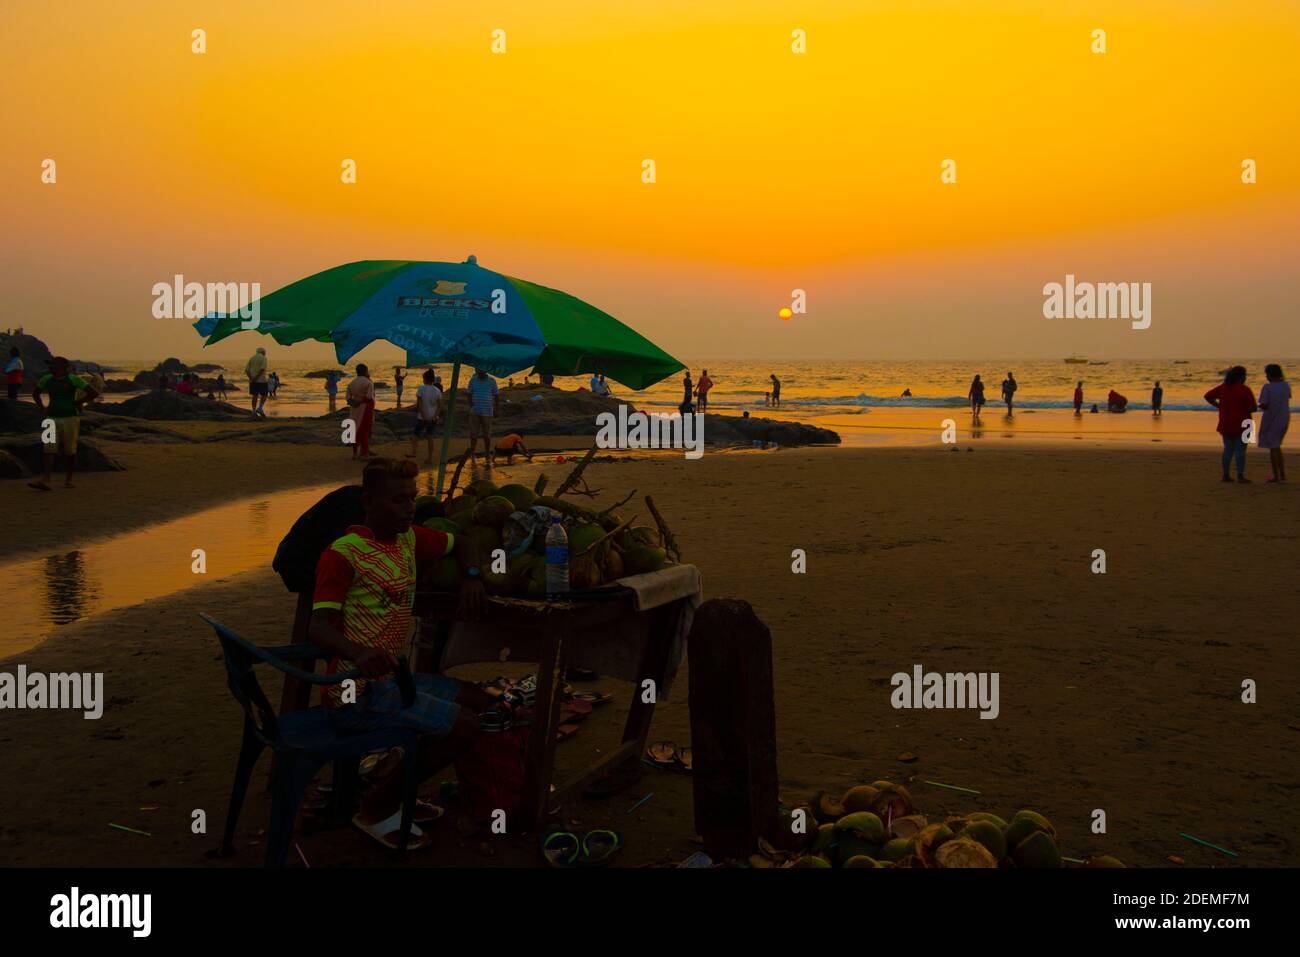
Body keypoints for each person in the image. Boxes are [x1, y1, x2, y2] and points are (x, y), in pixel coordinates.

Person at [309, 457, 492, 850]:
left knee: (482, 702)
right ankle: (375, 807)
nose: (408, 508)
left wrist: (472, 578)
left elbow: (464, 541)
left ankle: (400, 788)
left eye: (412, 498)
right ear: (368, 502)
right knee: (465, 726)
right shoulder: (344, 554)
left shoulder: (409, 539)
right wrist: (357, 652)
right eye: (397, 500)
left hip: (393, 682)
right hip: (352, 693)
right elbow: (318, 627)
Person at [29, 357, 98, 491]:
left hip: (70, 418)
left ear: (62, 367)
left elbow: (93, 393)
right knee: (48, 449)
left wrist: (78, 402)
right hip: (51, 418)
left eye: (53, 365)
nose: (50, 367)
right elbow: (35, 394)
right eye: (50, 365)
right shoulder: (46, 379)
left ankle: (69, 479)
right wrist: (42, 408)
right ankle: (46, 479)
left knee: (70, 450)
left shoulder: (73, 379)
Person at [1204, 365, 1257, 483]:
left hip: (1226, 421)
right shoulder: (1245, 389)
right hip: (1245, 422)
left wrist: (1219, 406)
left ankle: (1226, 474)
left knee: (1228, 449)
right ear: (1241, 377)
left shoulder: (1223, 388)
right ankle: (1240, 475)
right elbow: (1253, 408)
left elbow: (1207, 396)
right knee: (1241, 451)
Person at [1257, 364, 1289, 483]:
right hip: (1284, 418)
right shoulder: (1286, 385)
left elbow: (1264, 404)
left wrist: (1259, 406)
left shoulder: (1267, 387)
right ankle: (1282, 474)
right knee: (1277, 446)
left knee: (1273, 448)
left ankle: (1276, 476)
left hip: (1272, 418)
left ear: (1270, 374)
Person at [466, 368, 499, 468]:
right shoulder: (473, 380)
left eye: (481, 370)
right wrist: (471, 406)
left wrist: (497, 409)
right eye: (478, 370)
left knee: (487, 435)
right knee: (473, 434)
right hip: (475, 412)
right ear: (476, 370)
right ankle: (472, 454)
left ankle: (487, 453)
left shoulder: (492, 381)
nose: (479, 372)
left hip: (487, 411)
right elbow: (469, 393)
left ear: (486, 370)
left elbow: (496, 395)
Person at [408, 369, 442, 464]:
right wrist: (435, 416)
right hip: (433, 418)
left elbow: (419, 405)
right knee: (430, 436)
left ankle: (414, 453)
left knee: (415, 434)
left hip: (422, 417)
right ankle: (430, 458)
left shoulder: (421, 389)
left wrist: (423, 415)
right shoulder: (437, 390)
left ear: (425, 379)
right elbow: (440, 406)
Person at [347, 364, 377, 460]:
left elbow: (348, 398)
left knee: (355, 429)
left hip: (354, 409)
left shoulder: (351, 383)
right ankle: (364, 453)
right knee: (364, 430)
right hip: (365, 408)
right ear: (365, 371)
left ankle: (355, 453)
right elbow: (369, 397)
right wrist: (360, 401)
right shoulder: (368, 383)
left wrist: (355, 402)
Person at [245, 347, 269, 417]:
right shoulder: (264, 358)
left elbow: (247, 370)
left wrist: (251, 378)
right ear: (263, 352)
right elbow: (262, 369)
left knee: (254, 395)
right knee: (264, 394)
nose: (265, 353)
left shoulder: (252, 358)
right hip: (262, 380)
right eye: (265, 352)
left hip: (252, 381)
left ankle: (253, 410)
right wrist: (256, 378)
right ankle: (260, 408)